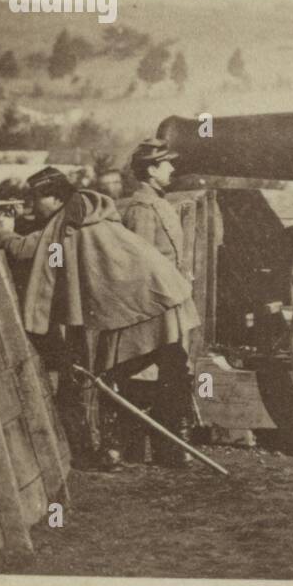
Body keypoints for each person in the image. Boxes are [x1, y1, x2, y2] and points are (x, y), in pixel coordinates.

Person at [0, 166, 198, 471]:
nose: (34, 208)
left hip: (137, 306)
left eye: (36, 200)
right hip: (161, 294)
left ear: (55, 197)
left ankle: (113, 452)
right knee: (172, 368)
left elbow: (24, 249)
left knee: (112, 376)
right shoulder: (88, 209)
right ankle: (178, 451)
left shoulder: (66, 222)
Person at [111, 139, 199, 467]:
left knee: (172, 371)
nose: (173, 169)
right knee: (151, 372)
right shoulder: (141, 209)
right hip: (152, 308)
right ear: (151, 170)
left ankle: (170, 449)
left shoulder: (159, 203)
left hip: (169, 303)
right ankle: (146, 447)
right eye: (166, 164)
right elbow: (141, 263)